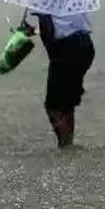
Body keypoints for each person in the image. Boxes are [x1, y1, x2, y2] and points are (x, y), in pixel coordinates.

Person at [19, 11, 95, 149]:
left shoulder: (45, 4)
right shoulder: (70, 0)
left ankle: (65, 147)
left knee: (54, 106)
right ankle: (69, 145)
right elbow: (64, 25)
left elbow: (50, 31)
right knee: (66, 104)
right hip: (85, 46)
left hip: (66, 51)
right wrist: (34, 30)